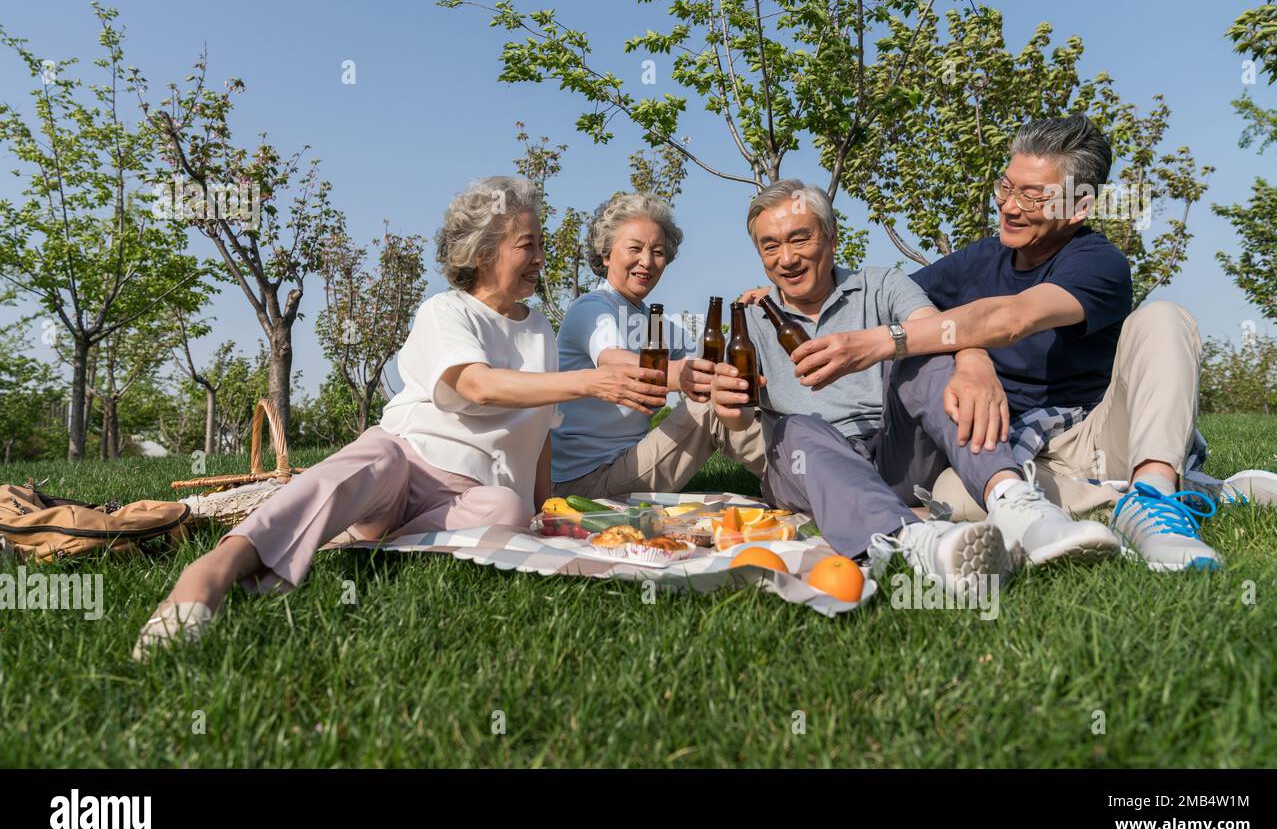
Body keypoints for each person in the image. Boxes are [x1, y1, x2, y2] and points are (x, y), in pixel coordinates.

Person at [133, 176, 664, 661]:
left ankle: (364, 536)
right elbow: (475, 384)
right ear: (482, 253)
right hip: (406, 461)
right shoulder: (446, 311)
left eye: (540, 245)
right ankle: (211, 574)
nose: (540, 258)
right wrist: (590, 381)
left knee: (509, 512)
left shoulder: (540, 330)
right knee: (372, 459)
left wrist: (545, 510)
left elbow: (542, 429)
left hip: (468, 495)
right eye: (528, 245)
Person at [802, 115, 1245, 570]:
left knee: (1164, 318)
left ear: (1079, 208)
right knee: (953, 497)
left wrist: (887, 341)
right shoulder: (979, 259)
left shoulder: (1098, 263)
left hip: (1093, 434)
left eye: (1032, 195)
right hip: (1011, 446)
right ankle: (1166, 491)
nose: (1010, 207)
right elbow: (888, 298)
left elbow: (1013, 317)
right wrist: (783, 297)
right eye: (1006, 187)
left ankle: (1153, 497)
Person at [711, 179, 1121, 593]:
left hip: (898, 455)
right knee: (793, 428)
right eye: (770, 246)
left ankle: (1014, 503)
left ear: (831, 237)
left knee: (925, 351)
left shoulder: (881, 284)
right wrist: (729, 407)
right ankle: (915, 542)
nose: (787, 258)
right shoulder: (751, 320)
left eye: (800, 239)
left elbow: (938, 329)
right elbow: (739, 412)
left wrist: (973, 358)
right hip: (810, 463)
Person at [551, 191, 765, 499]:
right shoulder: (592, 307)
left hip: (628, 462)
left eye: (658, 251)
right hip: (584, 485)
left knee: (718, 394)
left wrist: (758, 316)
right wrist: (681, 374)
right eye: (635, 249)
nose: (647, 261)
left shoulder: (654, 322)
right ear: (607, 254)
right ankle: (802, 480)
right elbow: (614, 361)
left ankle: (807, 471)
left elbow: (710, 365)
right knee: (707, 406)